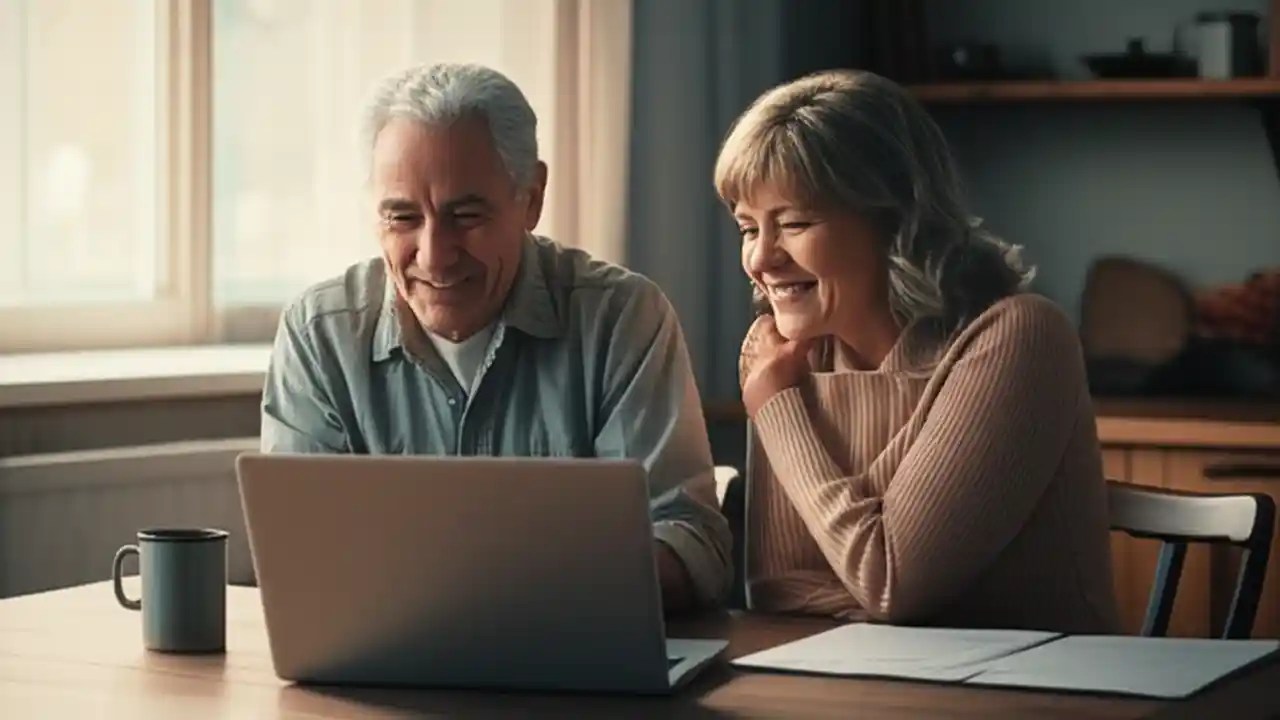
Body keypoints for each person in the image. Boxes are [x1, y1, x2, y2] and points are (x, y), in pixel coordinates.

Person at [261, 63, 730, 613]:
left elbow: (690, 542)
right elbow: (300, 554)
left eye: (465, 215)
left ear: (531, 197)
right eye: (403, 218)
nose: (434, 255)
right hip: (378, 679)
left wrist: (506, 590)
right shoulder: (320, 335)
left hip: (575, 676)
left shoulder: (619, 319)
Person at [715, 69, 1120, 633]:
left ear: (897, 220)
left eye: (794, 223)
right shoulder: (782, 356)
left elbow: (890, 584)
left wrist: (775, 409)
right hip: (850, 682)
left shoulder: (1018, 337)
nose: (761, 260)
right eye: (746, 228)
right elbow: (779, 592)